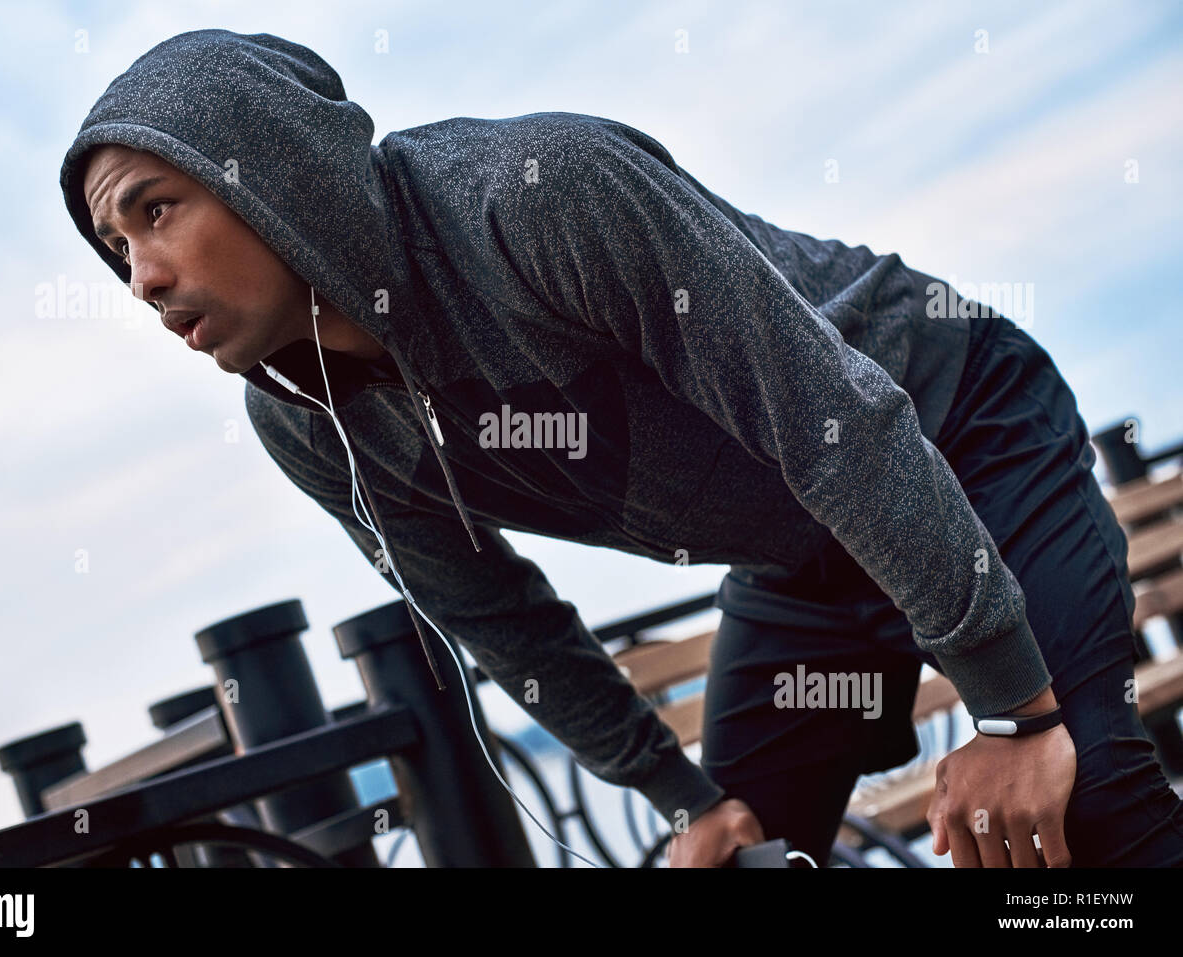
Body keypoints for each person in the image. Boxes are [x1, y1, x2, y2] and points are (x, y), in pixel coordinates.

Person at [60, 29, 1183, 867]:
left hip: (950, 427)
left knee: (1079, 805)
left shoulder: (535, 202)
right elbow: (495, 615)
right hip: (800, 551)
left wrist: (1009, 713)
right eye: (116, 249)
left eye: (155, 210)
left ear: (276, 167)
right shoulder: (306, 420)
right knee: (739, 857)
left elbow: (832, 424)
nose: (142, 277)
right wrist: (679, 796)